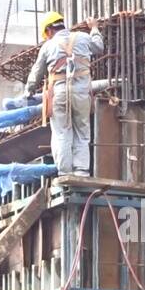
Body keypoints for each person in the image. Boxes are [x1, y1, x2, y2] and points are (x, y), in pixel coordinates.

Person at [24, 11, 105, 176]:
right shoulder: (82, 37)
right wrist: (95, 28)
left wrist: (29, 91)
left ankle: (65, 173)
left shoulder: (48, 46)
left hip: (59, 94)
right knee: (82, 131)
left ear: (48, 31)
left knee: (62, 133)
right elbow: (99, 46)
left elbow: (36, 73)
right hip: (82, 93)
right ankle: (81, 171)